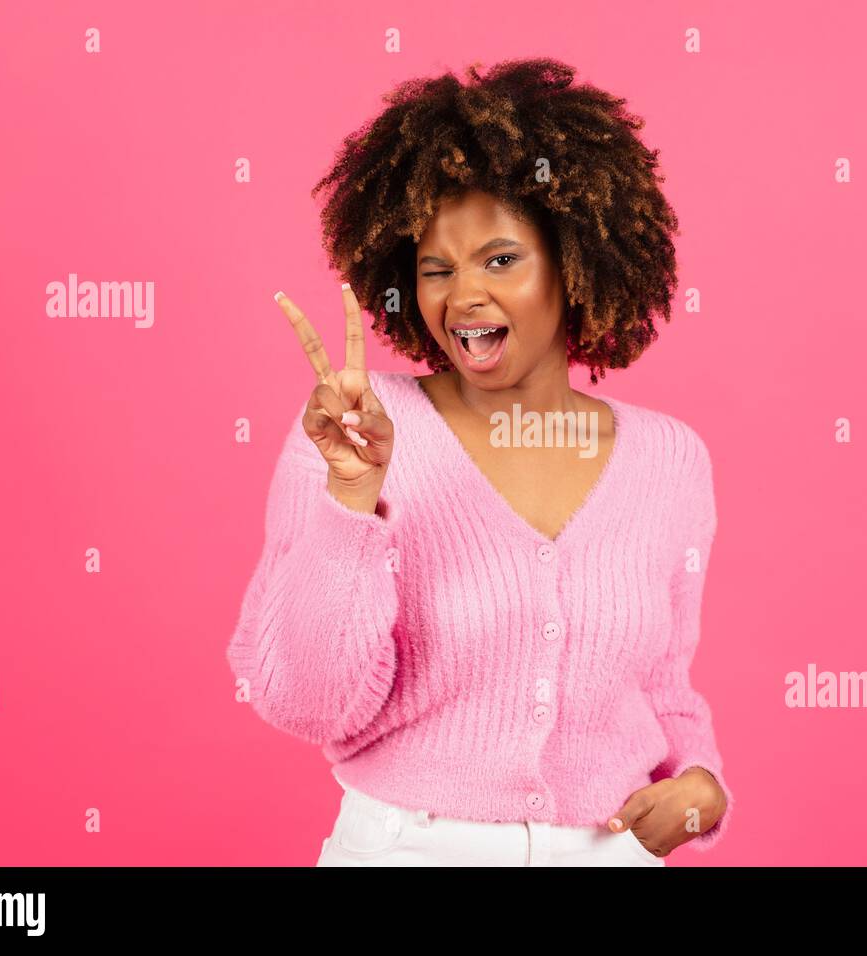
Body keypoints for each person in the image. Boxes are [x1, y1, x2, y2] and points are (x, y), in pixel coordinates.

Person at [227, 57, 733, 866]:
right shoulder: (361, 430)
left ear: (574, 264)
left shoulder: (670, 461)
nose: (462, 297)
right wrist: (351, 500)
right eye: (436, 269)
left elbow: (665, 691)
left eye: (500, 260)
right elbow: (306, 699)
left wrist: (703, 786)